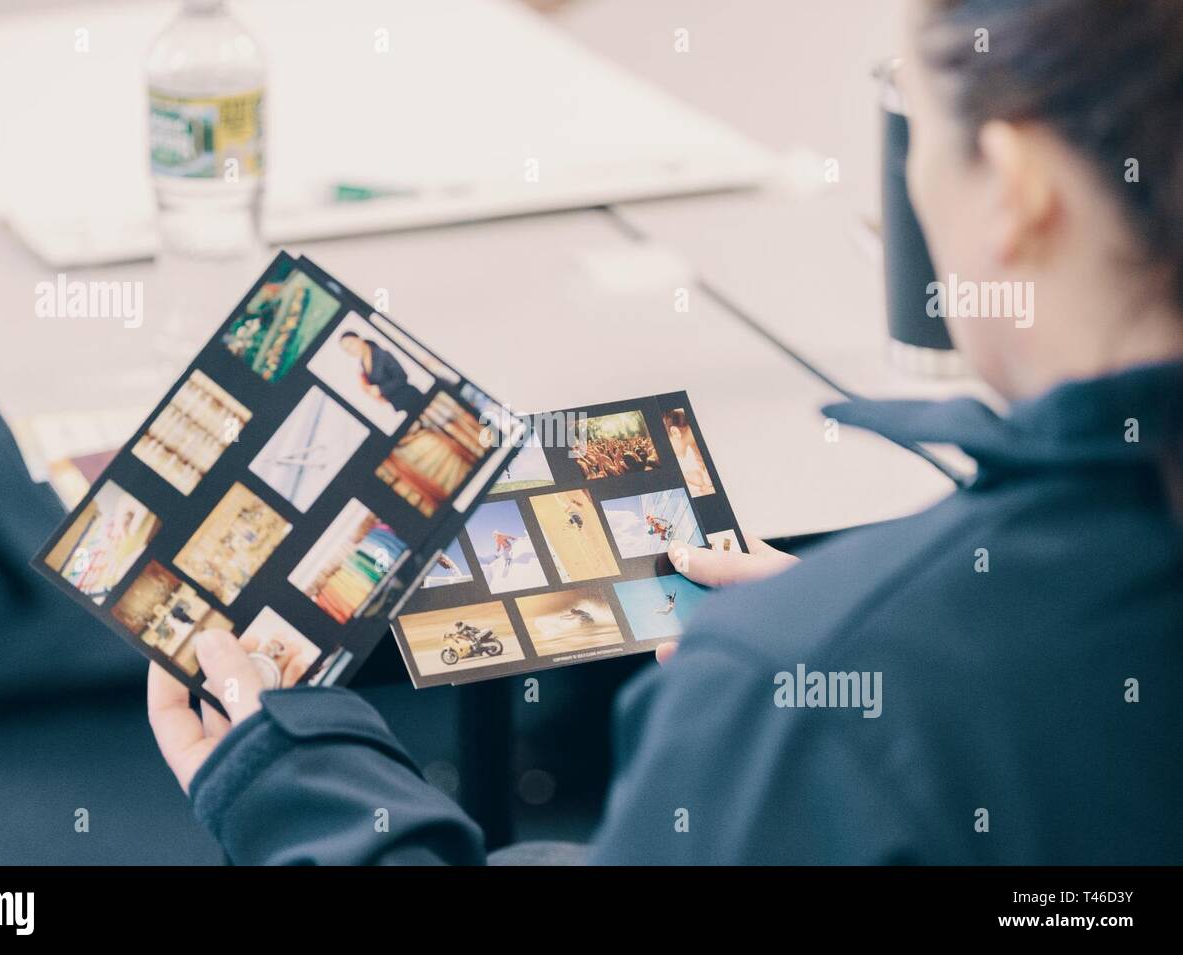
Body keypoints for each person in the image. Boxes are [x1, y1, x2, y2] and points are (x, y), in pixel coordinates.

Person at [148, 0, 1182, 864]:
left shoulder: (785, 695)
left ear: (1016, 192)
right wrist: (848, 646)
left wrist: (304, 789)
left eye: (910, 118)